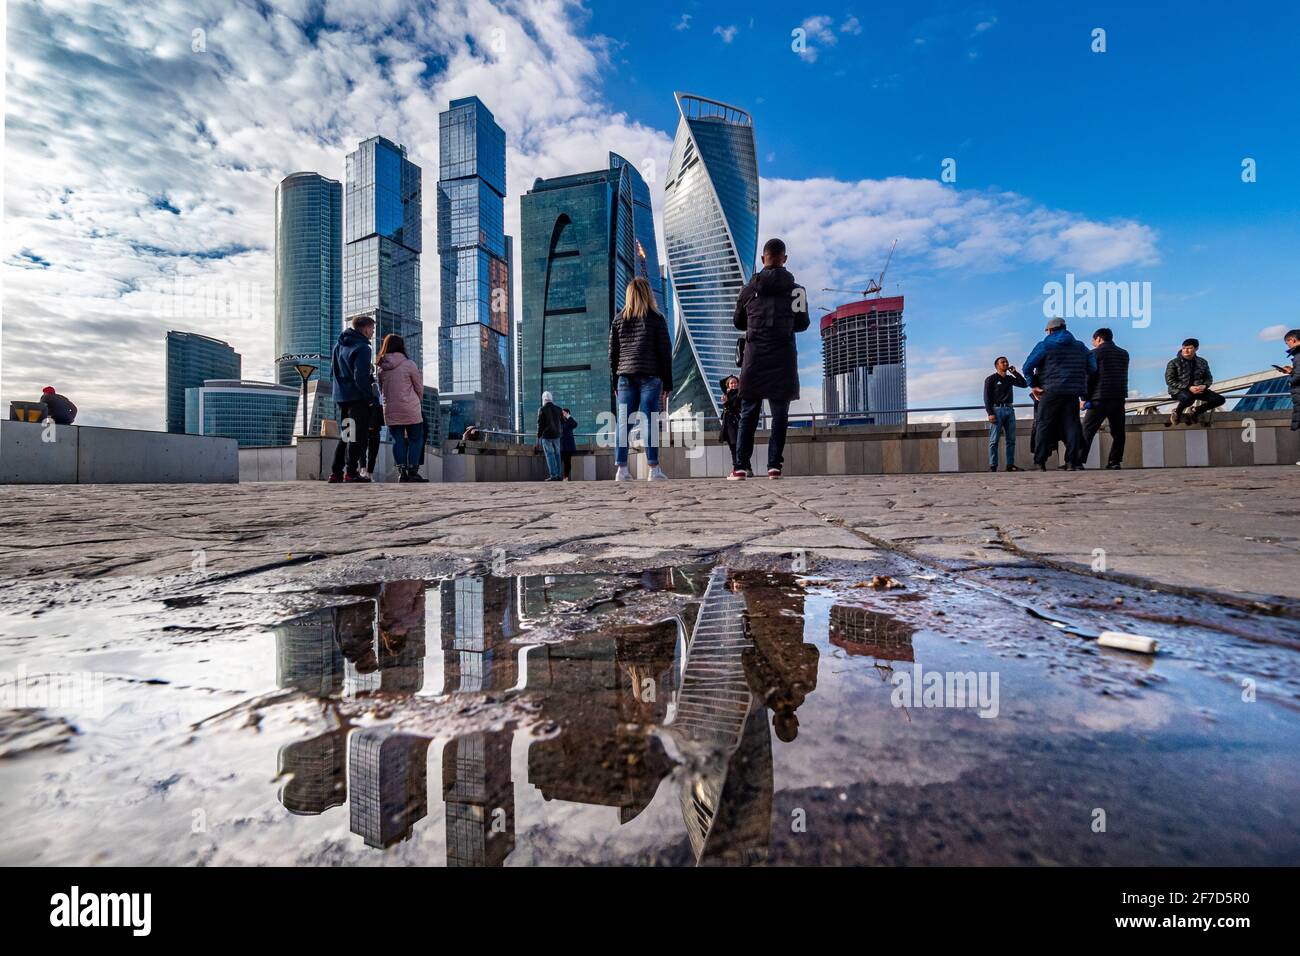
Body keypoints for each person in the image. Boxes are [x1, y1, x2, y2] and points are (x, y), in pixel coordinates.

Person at [729, 237, 810, 480]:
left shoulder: (748, 289)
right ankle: (774, 466)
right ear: (784, 259)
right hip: (783, 358)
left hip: (754, 359)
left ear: (763, 259)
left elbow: (738, 322)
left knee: (748, 414)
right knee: (780, 415)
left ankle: (740, 467)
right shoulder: (797, 290)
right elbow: (803, 324)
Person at [608, 275, 673, 481]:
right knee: (649, 421)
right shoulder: (657, 318)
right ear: (648, 294)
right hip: (650, 376)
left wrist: (614, 382)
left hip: (625, 376)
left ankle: (622, 470)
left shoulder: (618, 319)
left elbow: (613, 354)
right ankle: (653, 470)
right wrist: (668, 383)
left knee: (623, 424)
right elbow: (665, 351)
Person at [1023, 316, 1095, 471]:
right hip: (1072, 392)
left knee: (1044, 425)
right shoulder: (1080, 346)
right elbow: (1092, 367)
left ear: (1050, 330)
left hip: (1050, 391)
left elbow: (1027, 367)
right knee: (1072, 426)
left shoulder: (1045, 345)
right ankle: (1071, 462)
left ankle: (1040, 462)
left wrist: (1033, 385)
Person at [329, 315, 376, 483]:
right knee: (357, 436)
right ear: (365, 329)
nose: (372, 333)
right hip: (357, 398)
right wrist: (369, 397)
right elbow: (360, 376)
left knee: (347, 435)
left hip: (342, 396)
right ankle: (351, 472)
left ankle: (336, 473)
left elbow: (333, 371)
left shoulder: (338, 345)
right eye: (372, 329)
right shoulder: (363, 348)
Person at [376, 333, 426, 482]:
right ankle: (413, 472)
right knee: (415, 439)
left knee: (397, 440)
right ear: (401, 346)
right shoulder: (409, 364)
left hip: (390, 408)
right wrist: (417, 400)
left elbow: (381, 389)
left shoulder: (381, 368)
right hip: (410, 407)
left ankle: (402, 473)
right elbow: (419, 386)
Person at [1081, 327, 1131, 469]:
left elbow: (1089, 377)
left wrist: (1084, 398)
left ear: (1098, 339)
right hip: (1118, 396)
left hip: (1099, 398)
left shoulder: (1094, 353)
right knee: (1118, 432)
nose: (1093, 343)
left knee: (1087, 430)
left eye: (1094, 340)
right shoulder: (1124, 354)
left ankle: (1079, 460)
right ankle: (1114, 461)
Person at [1164, 338, 1224, 425]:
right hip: (1179, 390)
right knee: (1189, 398)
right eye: (1184, 348)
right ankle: (1177, 412)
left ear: (1196, 349)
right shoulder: (1173, 363)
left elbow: (1208, 378)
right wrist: (1189, 387)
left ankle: (1196, 411)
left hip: (1198, 389)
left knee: (1219, 399)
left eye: (1189, 348)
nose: (1186, 350)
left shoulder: (1202, 362)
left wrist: (1204, 386)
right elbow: (1170, 381)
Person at [983, 357, 1026, 472]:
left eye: (1006, 361)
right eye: (1003, 362)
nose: (1006, 363)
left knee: (1011, 439)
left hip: (1010, 410)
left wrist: (1015, 373)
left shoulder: (1009, 379)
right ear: (997, 365)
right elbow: (986, 397)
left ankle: (1010, 465)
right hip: (996, 410)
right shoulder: (991, 379)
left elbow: (1024, 384)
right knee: (994, 440)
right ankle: (993, 465)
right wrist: (990, 413)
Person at [536, 391, 564, 481]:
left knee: (550, 455)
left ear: (543, 400)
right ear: (552, 399)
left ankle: (553, 475)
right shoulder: (559, 409)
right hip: (557, 435)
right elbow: (562, 422)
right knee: (557, 455)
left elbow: (540, 424)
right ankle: (559, 475)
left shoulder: (542, 409)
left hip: (546, 436)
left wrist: (538, 435)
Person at [719, 376, 743, 476]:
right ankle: (739, 468)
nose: (733, 385)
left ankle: (738, 468)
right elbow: (721, 382)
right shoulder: (727, 394)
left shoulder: (738, 394)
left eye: (735, 383)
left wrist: (725, 403)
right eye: (731, 383)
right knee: (732, 447)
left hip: (734, 423)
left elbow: (733, 408)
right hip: (727, 425)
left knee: (736, 447)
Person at [1283, 329, 1300, 462]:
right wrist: (1292, 371)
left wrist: (1290, 380)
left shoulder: (1299, 355)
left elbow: (1299, 376)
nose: (1287, 345)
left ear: (1292, 340)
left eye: (1287, 342)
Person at [560, 408, 578, 481]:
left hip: (568, 445)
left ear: (568, 413)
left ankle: (566, 477)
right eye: (562, 413)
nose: (563, 414)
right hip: (560, 445)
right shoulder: (560, 421)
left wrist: (568, 416)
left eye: (564, 413)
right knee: (559, 461)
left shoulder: (569, 421)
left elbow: (575, 424)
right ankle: (557, 476)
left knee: (567, 461)